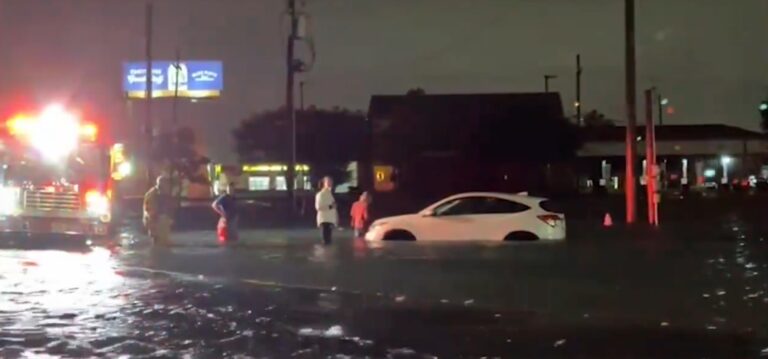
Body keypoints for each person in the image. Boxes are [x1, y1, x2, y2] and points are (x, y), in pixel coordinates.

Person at [143, 175, 174, 246]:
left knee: (162, 241)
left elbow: (169, 207)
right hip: (155, 220)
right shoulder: (151, 194)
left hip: (159, 220)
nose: (167, 186)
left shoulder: (164, 193)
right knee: (159, 241)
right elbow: (149, 210)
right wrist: (153, 224)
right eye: (166, 184)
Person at [315, 176, 338, 245]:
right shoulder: (320, 194)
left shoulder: (330, 194)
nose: (330, 183)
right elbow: (318, 207)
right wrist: (331, 206)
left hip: (330, 220)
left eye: (331, 182)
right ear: (324, 183)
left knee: (328, 242)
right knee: (326, 242)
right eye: (328, 182)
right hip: (324, 220)